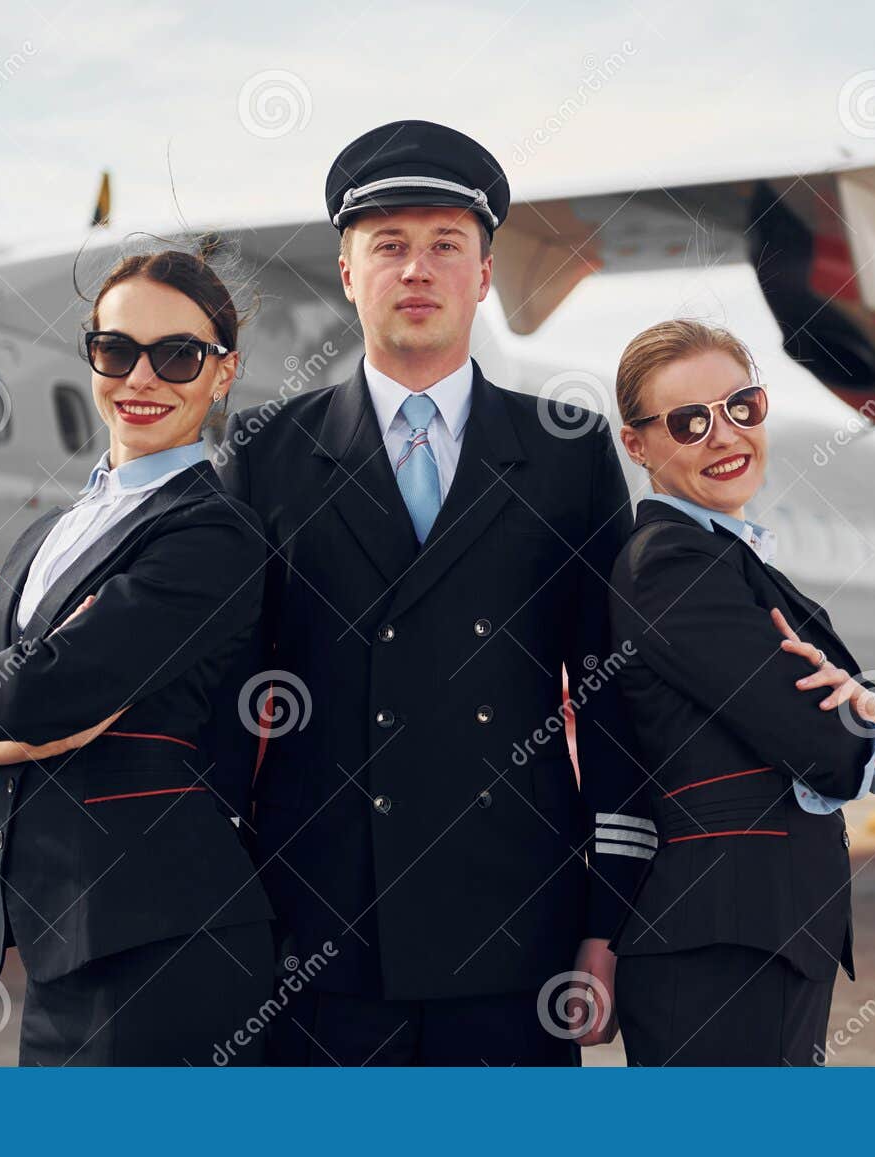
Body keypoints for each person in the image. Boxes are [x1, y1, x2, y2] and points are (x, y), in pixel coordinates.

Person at [216, 120, 646, 1065]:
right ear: (345, 272)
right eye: (390, 247)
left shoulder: (568, 451)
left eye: (445, 246)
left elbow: (613, 698)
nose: (418, 270)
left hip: (514, 935)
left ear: (484, 275)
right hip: (319, 939)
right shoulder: (266, 453)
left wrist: (609, 922)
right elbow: (218, 697)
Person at [0, 249, 276, 1066]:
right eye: (116, 351)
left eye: (178, 354)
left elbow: (34, 692)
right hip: (59, 945)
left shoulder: (210, 532)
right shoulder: (49, 533)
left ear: (223, 374)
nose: (141, 377)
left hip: (165, 946)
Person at [606, 319, 875, 1066]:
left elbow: (845, 728)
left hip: (761, 938)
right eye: (689, 422)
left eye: (742, 406)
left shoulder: (722, 558)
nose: (724, 436)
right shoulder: (673, 564)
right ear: (638, 446)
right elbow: (826, 743)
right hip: (724, 948)